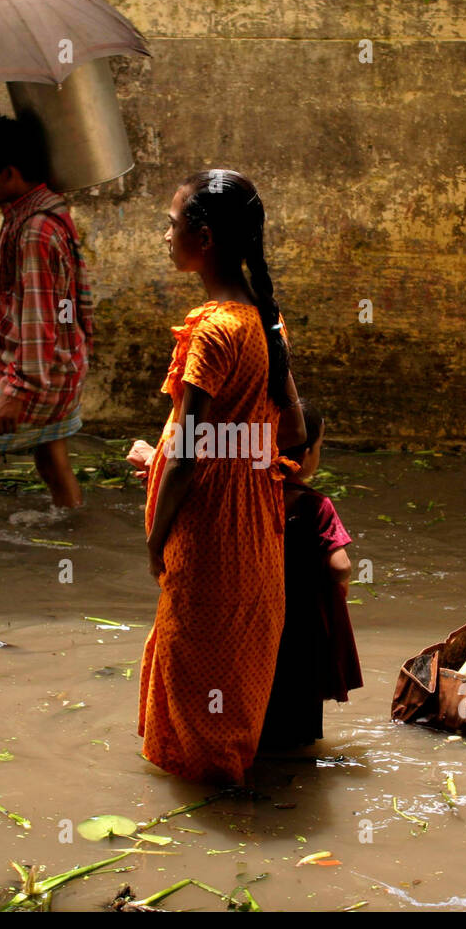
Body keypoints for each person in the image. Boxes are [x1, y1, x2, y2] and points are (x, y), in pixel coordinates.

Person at [137, 169, 306, 784]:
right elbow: (292, 432)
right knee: (228, 673)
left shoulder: (213, 329)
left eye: (172, 223)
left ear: (202, 238)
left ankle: (207, 808)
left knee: (193, 678)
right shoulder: (263, 317)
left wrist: (156, 538)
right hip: (255, 529)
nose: (165, 235)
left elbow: (185, 455)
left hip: (209, 533)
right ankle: (231, 793)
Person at [0, 83, 93, 513]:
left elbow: (39, 316)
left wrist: (19, 388)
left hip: (35, 372)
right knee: (50, 456)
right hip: (64, 365)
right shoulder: (39, 206)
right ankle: (72, 527)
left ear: (10, 173)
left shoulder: (34, 232)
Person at [259, 400, 363, 750]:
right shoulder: (316, 506)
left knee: (261, 716)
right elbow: (341, 566)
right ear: (305, 454)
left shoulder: (250, 498)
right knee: (299, 735)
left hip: (257, 629)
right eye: (319, 447)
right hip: (304, 635)